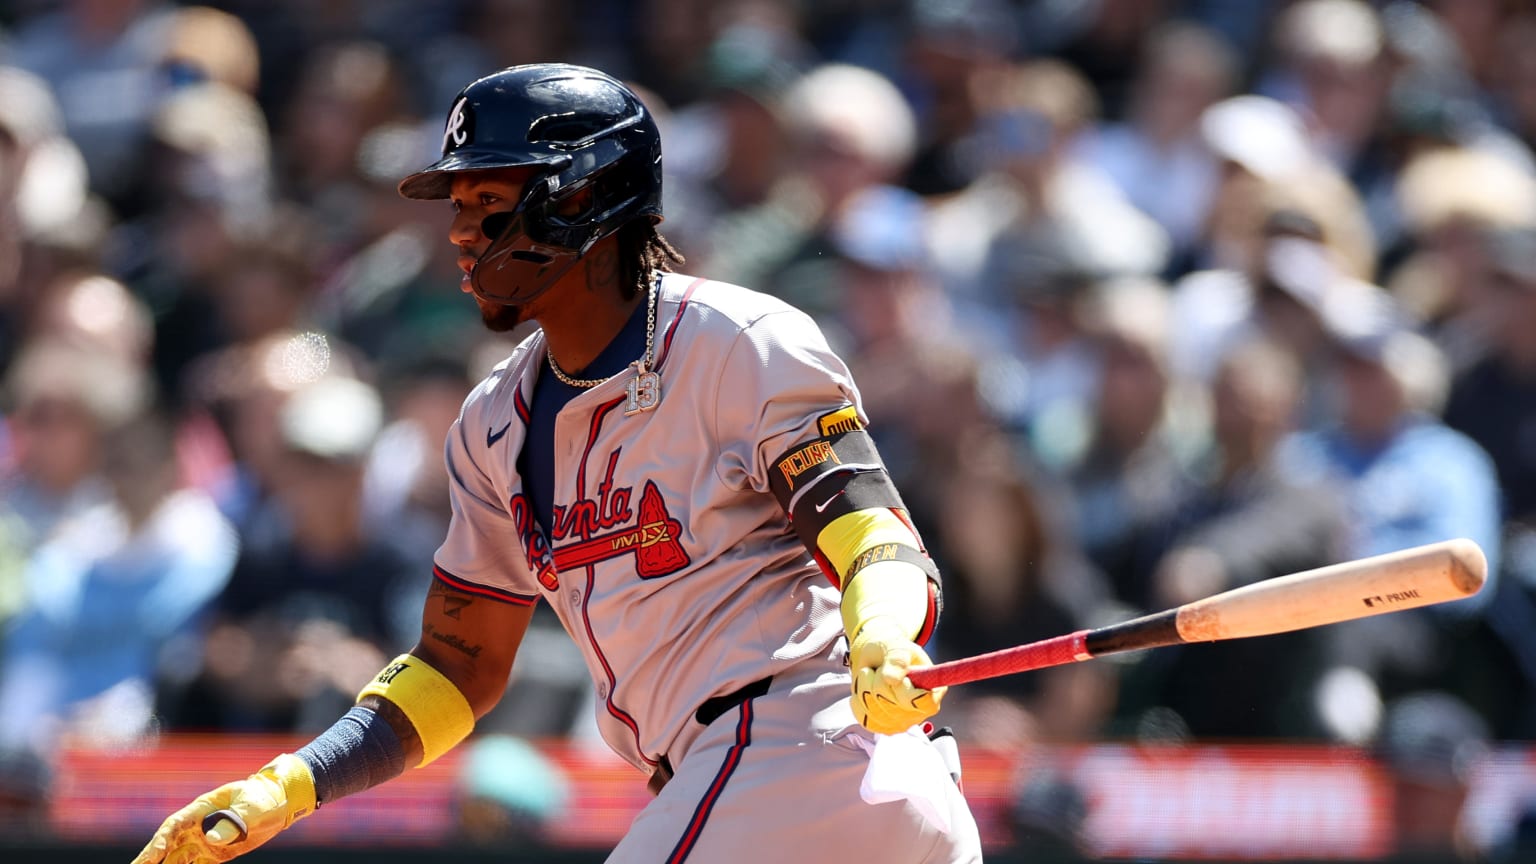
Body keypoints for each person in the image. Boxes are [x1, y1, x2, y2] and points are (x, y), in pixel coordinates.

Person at [132, 63, 980, 863]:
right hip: (737, 778)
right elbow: (456, 667)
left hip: (805, 739)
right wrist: (292, 784)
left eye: (493, 199)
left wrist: (882, 634)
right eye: (458, 203)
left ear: (587, 196)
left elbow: (873, 532)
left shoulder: (740, 343)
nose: (463, 230)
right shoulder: (494, 423)